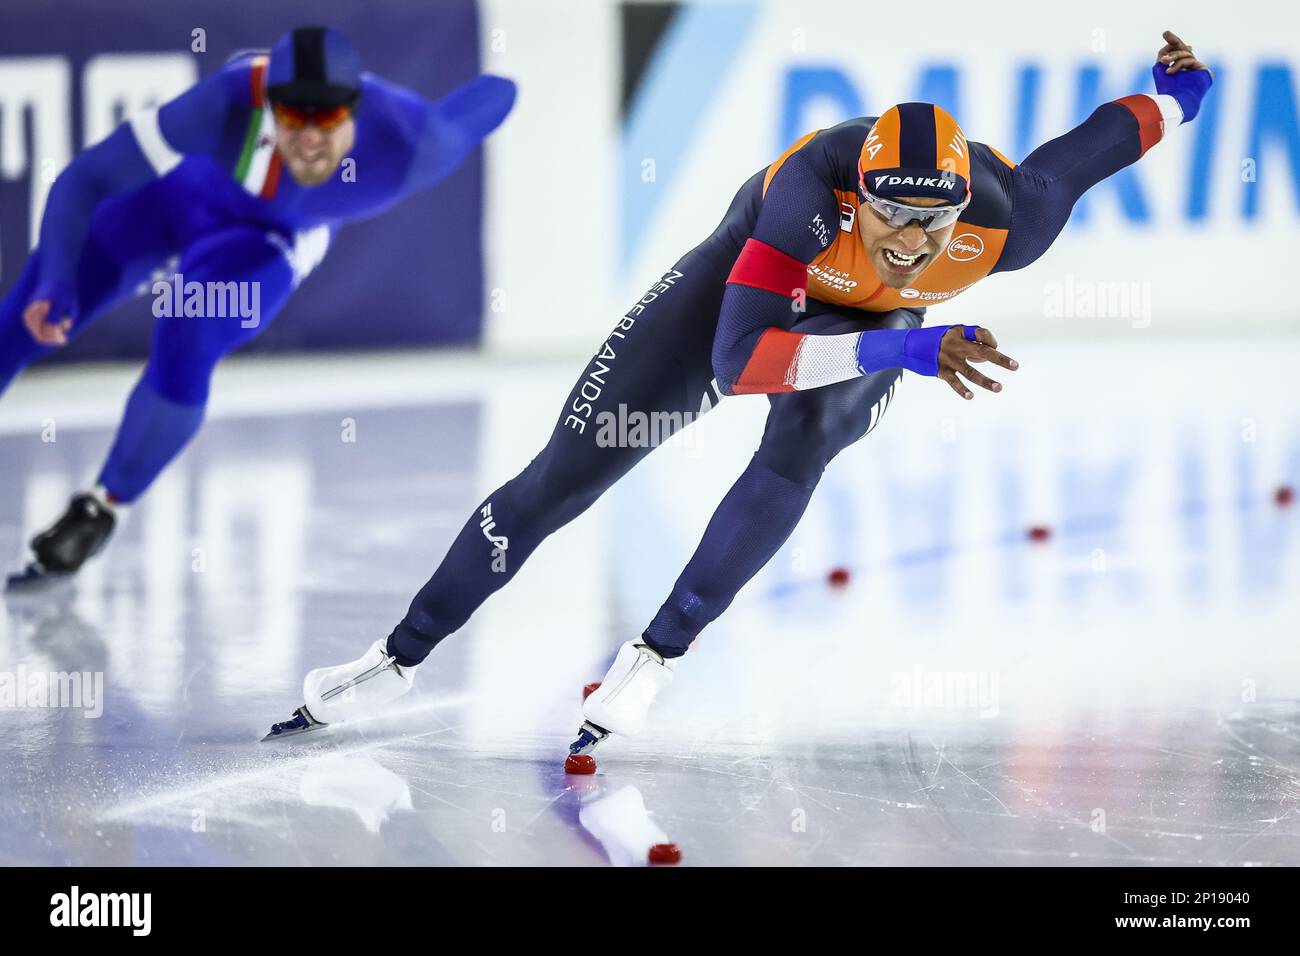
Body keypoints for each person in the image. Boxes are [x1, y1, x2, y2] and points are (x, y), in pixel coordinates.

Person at [265, 31, 1213, 756]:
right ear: (859, 195)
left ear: (964, 210)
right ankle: (394, 660)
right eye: (890, 211)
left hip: (871, 328)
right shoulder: (808, 194)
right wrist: (913, 352)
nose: (911, 241)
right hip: (746, 299)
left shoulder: (1016, 224)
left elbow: (1096, 146)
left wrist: (1181, 96)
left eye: (933, 221)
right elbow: (738, 365)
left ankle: (655, 656)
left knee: (805, 441)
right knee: (565, 475)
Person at [2, 26, 515, 586]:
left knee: (190, 332)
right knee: (27, 314)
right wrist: (55, 278)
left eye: (326, 120)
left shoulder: (413, 143)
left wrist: (497, 84)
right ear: (269, 105)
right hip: (172, 200)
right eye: (293, 119)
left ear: (354, 112)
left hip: (265, 241)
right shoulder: (228, 99)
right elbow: (87, 176)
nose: (310, 139)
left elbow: (496, 94)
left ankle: (101, 508)